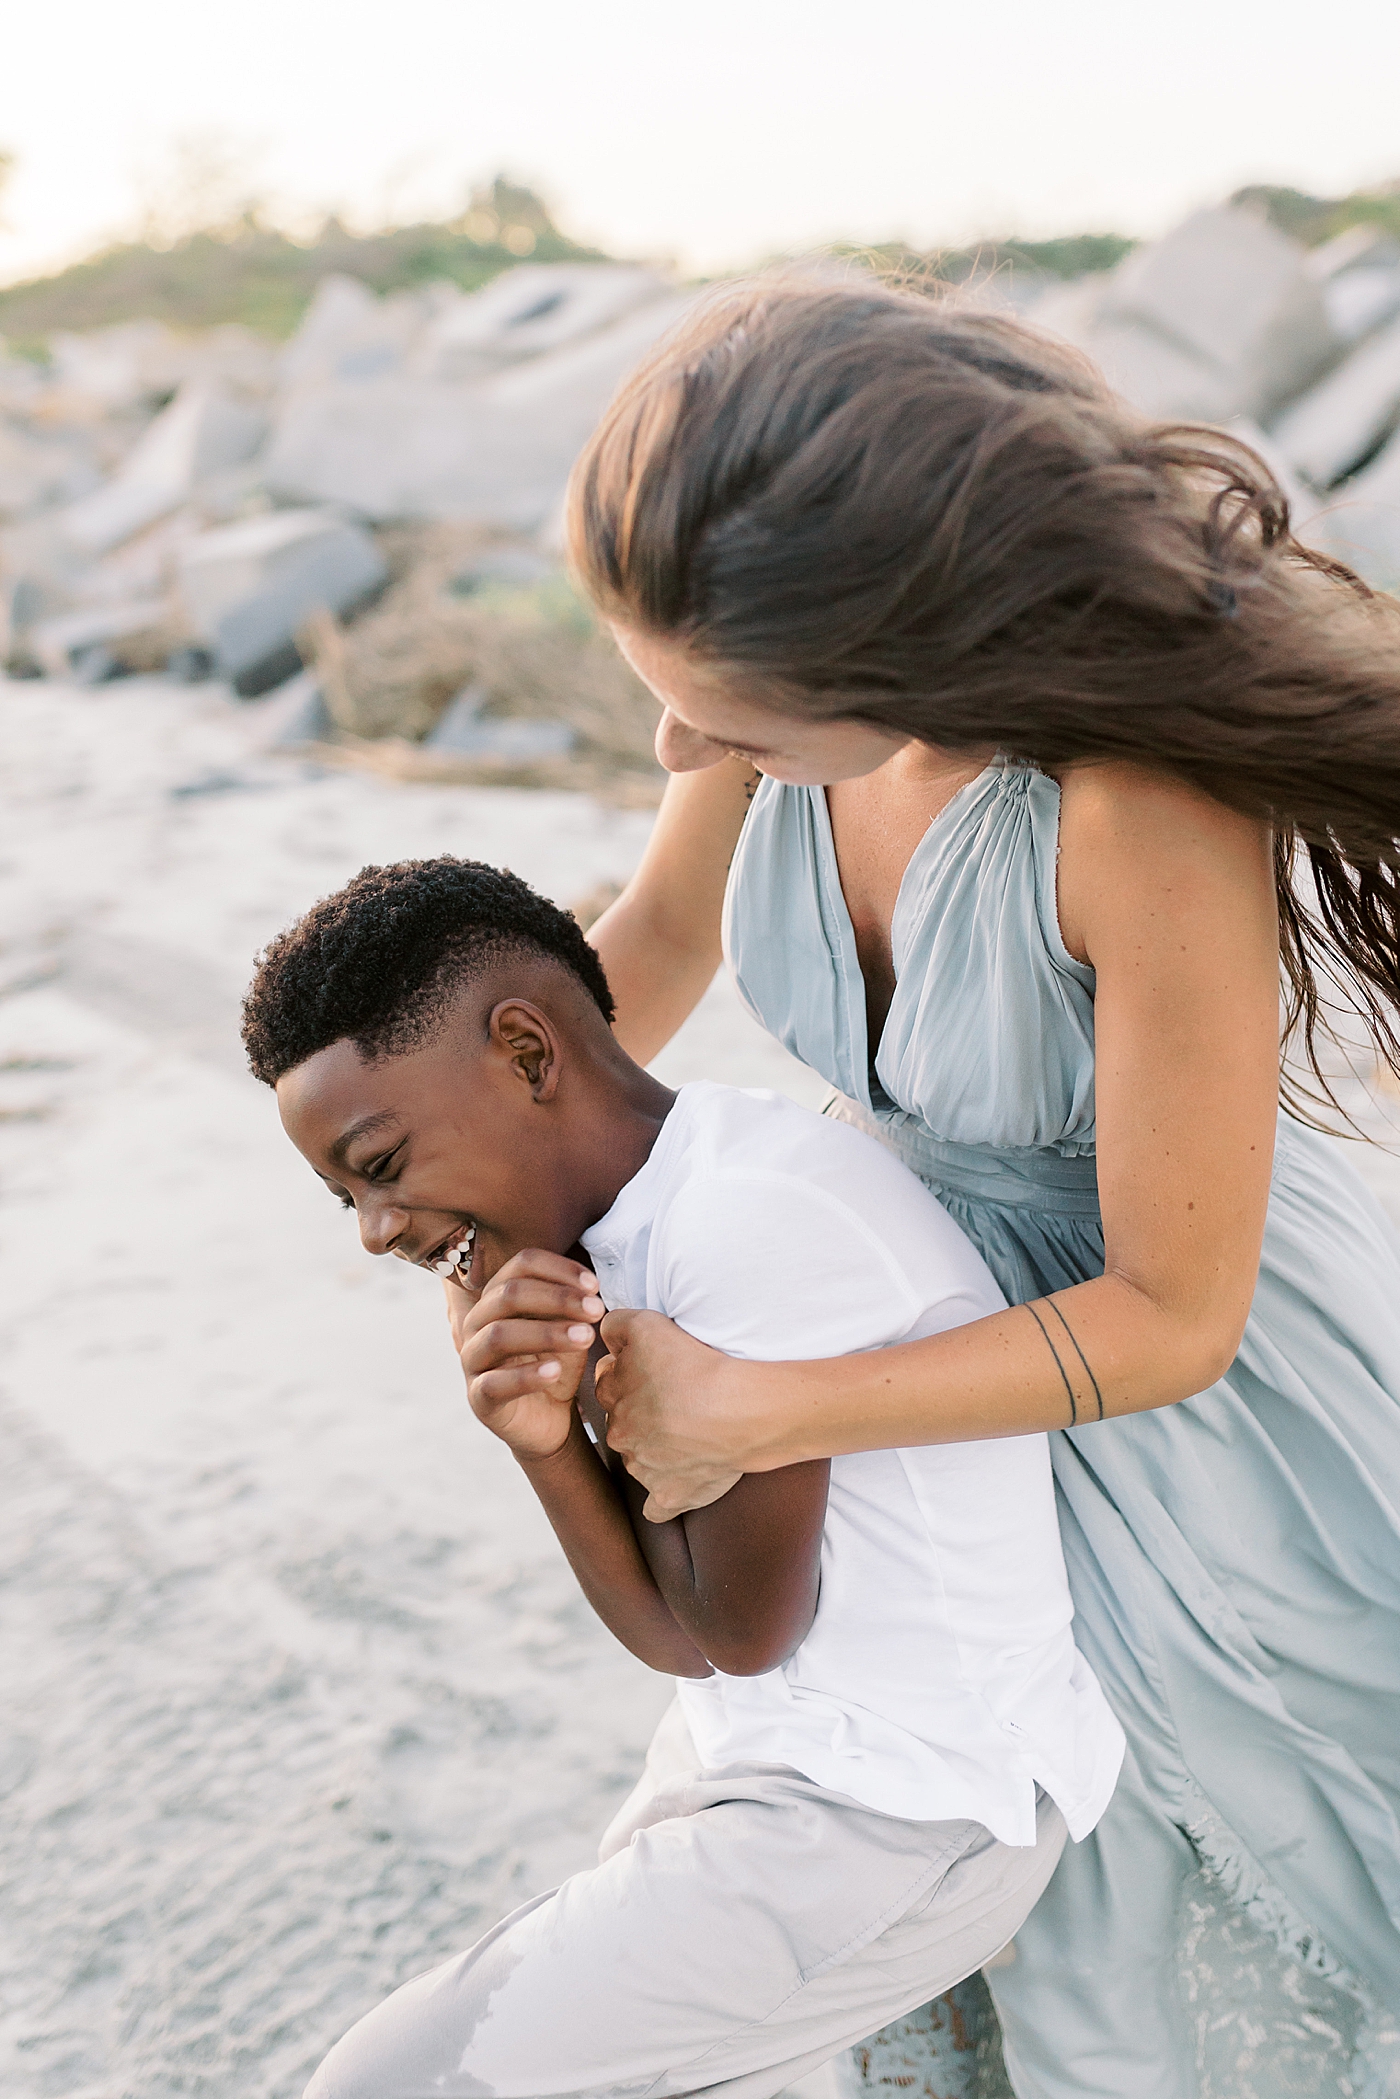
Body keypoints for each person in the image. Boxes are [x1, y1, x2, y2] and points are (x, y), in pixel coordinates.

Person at [516, 277, 1399, 2097]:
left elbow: (1178, 1315)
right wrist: (473, 1144)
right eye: (663, 702)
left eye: (725, 722)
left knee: (1124, 1939)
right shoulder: (768, 717)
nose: (681, 754)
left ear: (922, 662)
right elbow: (658, 945)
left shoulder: (1139, 807)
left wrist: (765, 1407)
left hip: (1166, 1404)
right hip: (900, 1319)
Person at [241, 855, 1125, 2099]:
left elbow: (725, 1628)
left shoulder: (744, 1224)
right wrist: (543, 1434)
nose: (376, 1228)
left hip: (900, 1811)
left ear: (528, 1053)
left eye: (380, 1163)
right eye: (344, 1196)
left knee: (382, 2083)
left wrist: (546, 1446)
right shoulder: (640, 1218)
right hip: (770, 1765)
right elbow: (691, 1642)